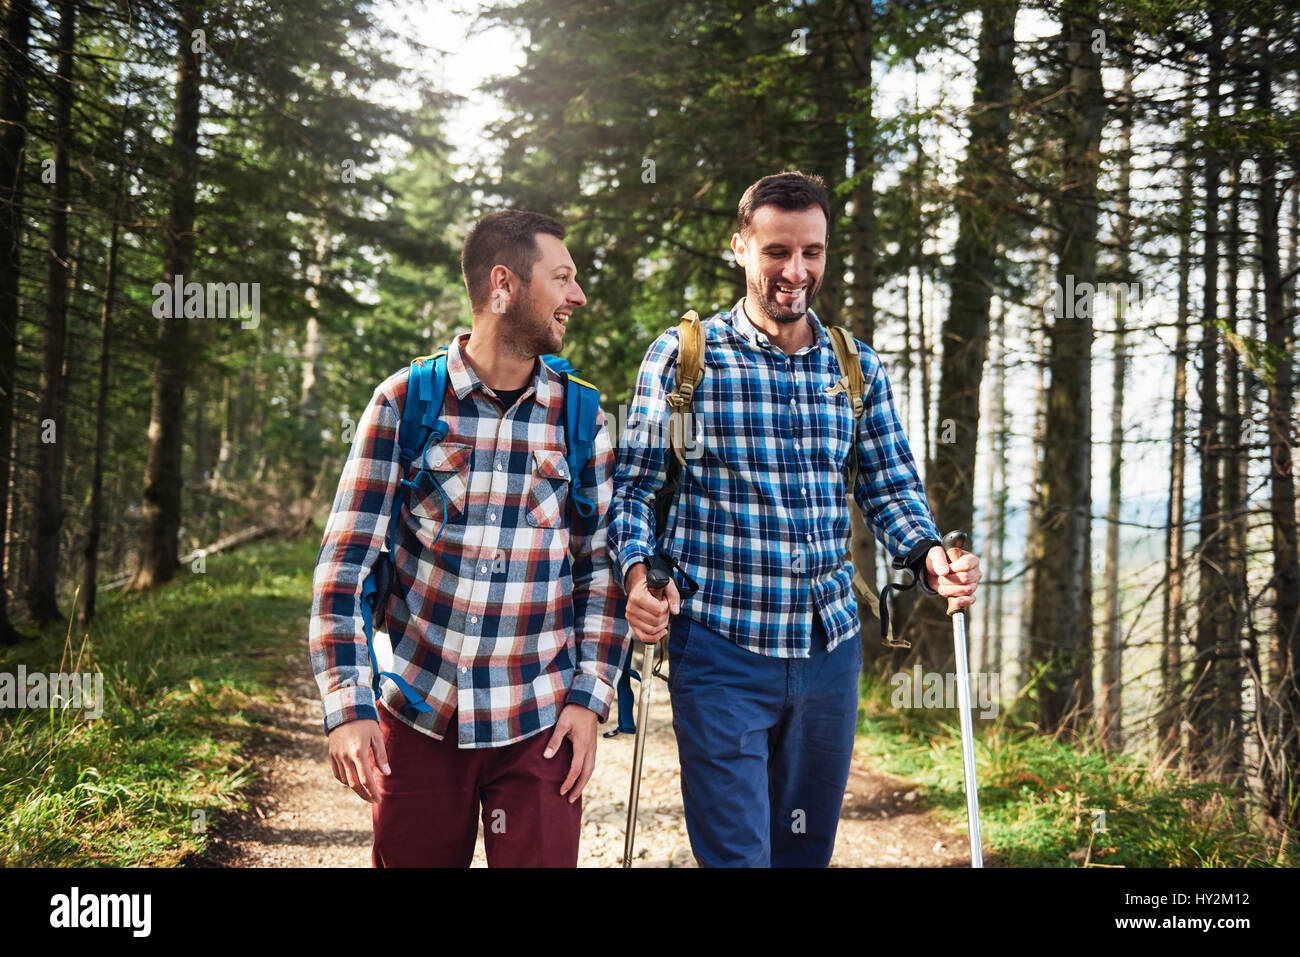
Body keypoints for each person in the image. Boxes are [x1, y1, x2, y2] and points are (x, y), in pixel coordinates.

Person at [608, 171, 982, 867]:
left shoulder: (853, 367)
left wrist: (933, 557)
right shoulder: (686, 359)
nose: (795, 270)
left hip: (828, 652)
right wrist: (637, 572)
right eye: (777, 250)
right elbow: (634, 490)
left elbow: (892, 488)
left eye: (812, 251)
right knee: (740, 858)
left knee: (802, 854)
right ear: (740, 247)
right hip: (719, 648)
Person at [309, 209, 628, 867]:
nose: (579, 296)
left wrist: (591, 699)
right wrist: (347, 704)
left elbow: (599, 570)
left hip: (539, 724)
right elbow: (345, 568)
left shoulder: (582, 418)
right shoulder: (405, 403)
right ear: (504, 285)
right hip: (419, 713)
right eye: (562, 278)